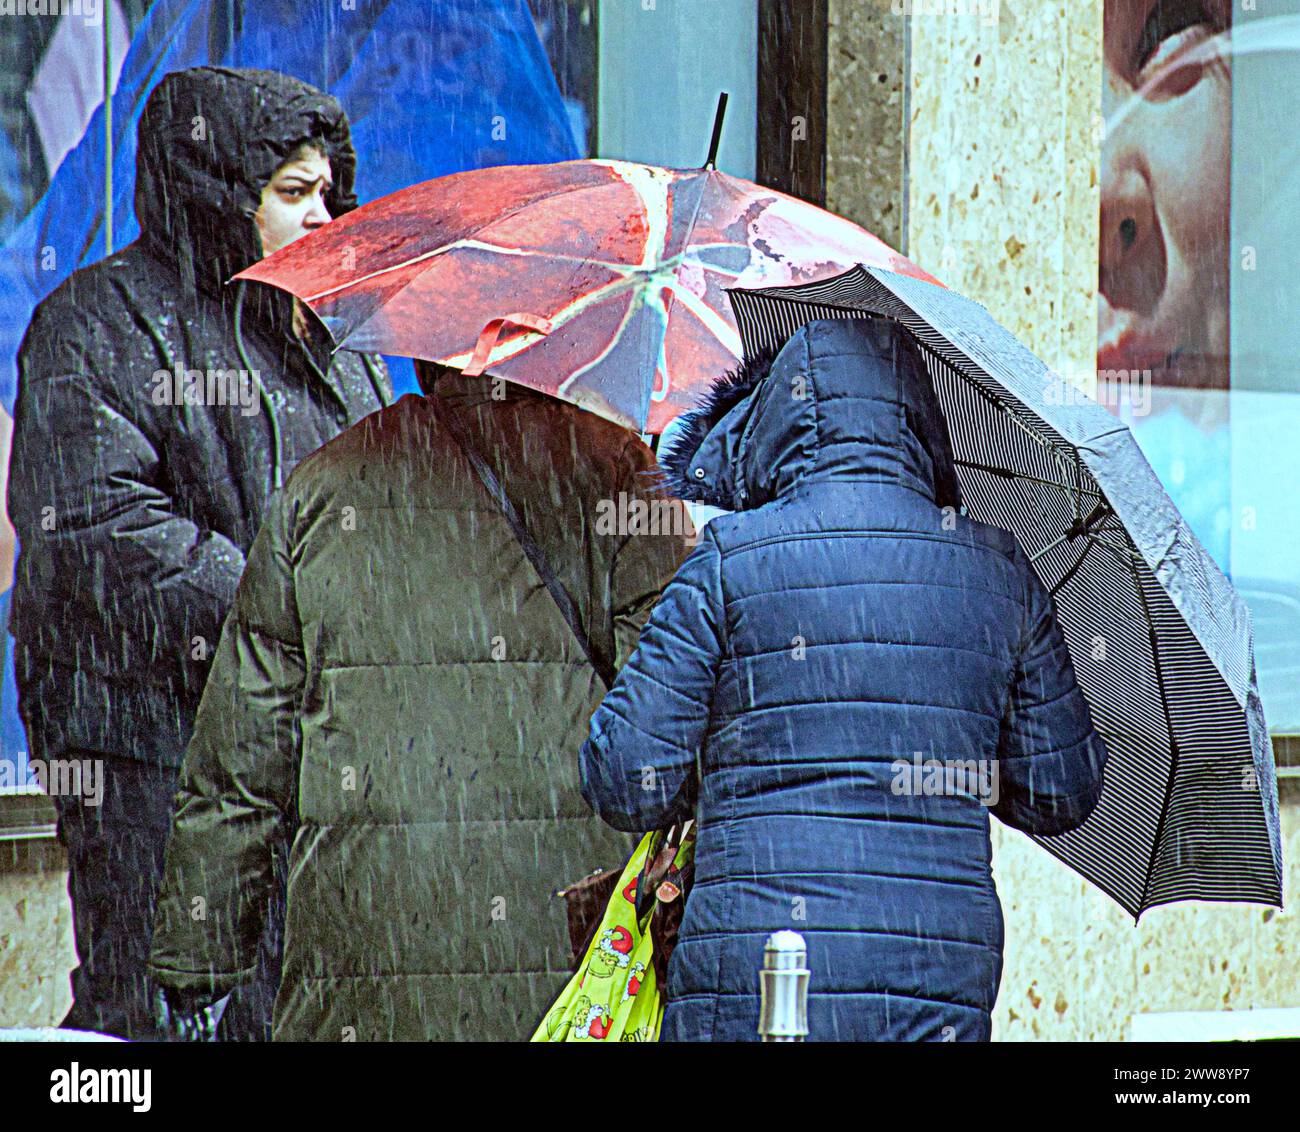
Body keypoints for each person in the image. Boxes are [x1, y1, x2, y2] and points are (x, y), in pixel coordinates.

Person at [579, 316, 1110, 1042]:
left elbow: (626, 777)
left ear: (772, 423)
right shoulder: (996, 571)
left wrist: (718, 762)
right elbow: (1060, 789)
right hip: (933, 990)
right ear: (922, 422)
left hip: (757, 982)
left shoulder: (730, 560)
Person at [7, 66, 393, 1041]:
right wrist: (281, 604)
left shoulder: (326, 339)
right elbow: (93, 526)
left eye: (328, 192)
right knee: (156, 1001)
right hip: (145, 748)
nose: (322, 217)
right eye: (294, 192)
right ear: (220, 191)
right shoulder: (95, 325)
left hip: (298, 745)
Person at [147, 361, 689, 1041]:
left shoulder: (320, 488)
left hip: (360, 964)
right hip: (570, 966)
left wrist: (198, 963)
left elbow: (240, 769)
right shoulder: (618, 477)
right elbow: (674, 730)